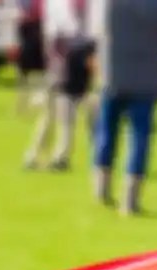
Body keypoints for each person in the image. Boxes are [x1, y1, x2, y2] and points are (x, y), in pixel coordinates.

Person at [89, 0, 157, 215]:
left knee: (107, 133)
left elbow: (96, 28)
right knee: (139, 137)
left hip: (113, 72)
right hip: (145, 73)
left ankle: (101, 189)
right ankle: (130, 199)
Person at [23, 0, 95, 171]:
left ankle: (37, 154)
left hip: (67, 52)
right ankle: (60, 154)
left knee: (54, 110)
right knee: (64, 109)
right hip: (68, 52)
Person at [15, 0, 47, 115]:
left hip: (38, 26)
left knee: (40, 69)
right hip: (30, 27)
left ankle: (37, 99)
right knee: (25, 70)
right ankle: (22, 105)